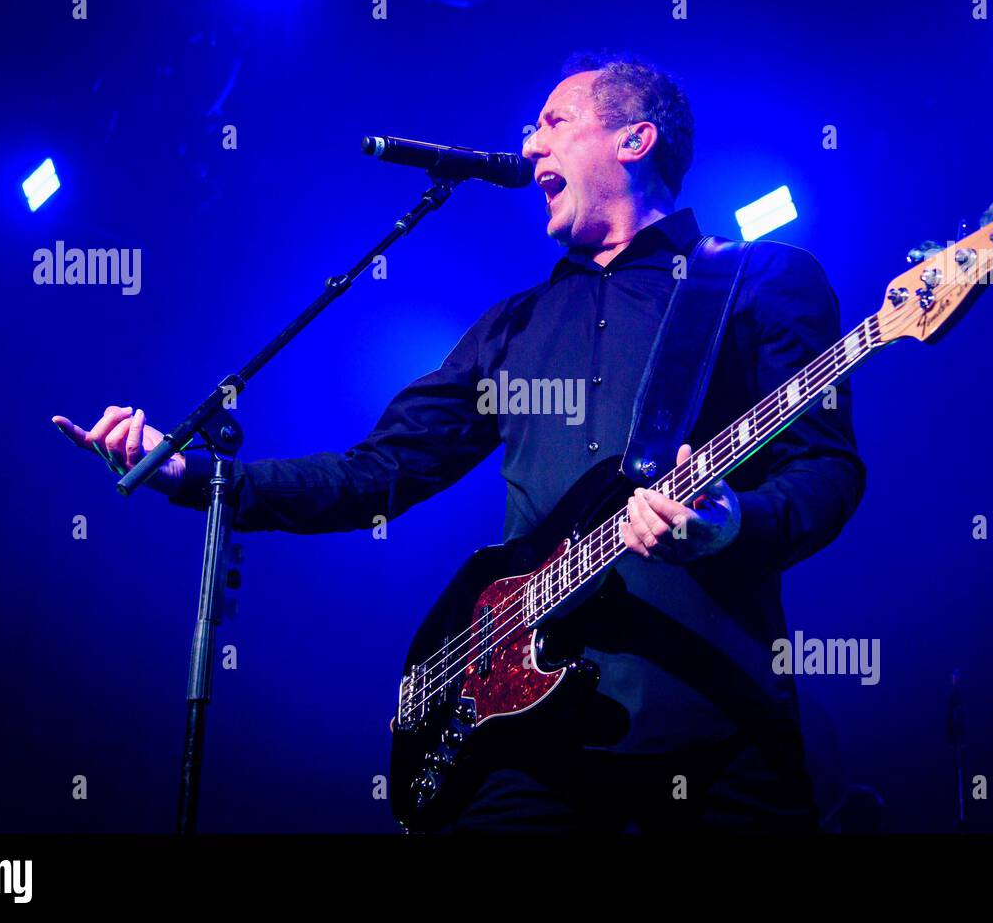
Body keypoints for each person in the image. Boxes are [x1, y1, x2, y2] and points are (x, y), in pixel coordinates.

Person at [54, 53, 865, 832]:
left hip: (714, 719)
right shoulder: (511, 327)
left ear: (635, 139)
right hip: (525, 738)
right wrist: (195, 473)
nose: (530, 143)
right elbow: (377, 474)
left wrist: (735, 523)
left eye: (554, 121)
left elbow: (825, 468)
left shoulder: (761, 282)